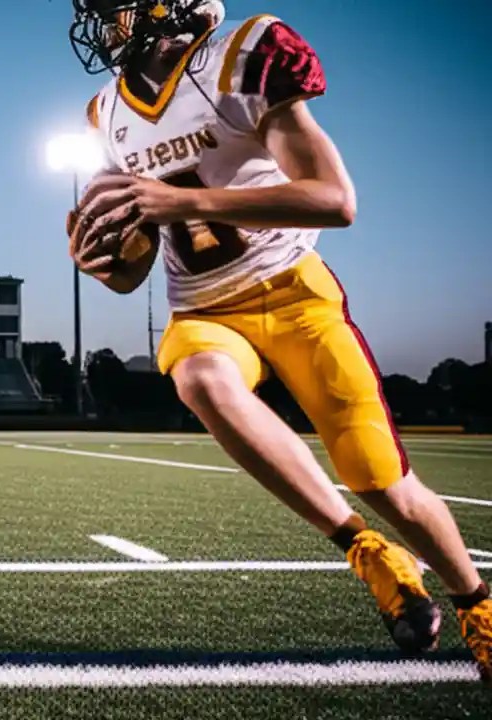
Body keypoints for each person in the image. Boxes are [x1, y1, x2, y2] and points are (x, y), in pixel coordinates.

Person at [65, 0, 489, 681]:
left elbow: (333, 199)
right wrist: (108, 260)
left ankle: (477, 604)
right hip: (202, 310)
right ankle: (365, 550)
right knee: (200, 379)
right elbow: (136, 264)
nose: (102, 21)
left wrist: (185, 202)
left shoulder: (241, 56)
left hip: (293, 293)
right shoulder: (104, 113)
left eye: (114, 4)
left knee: (382, 480)